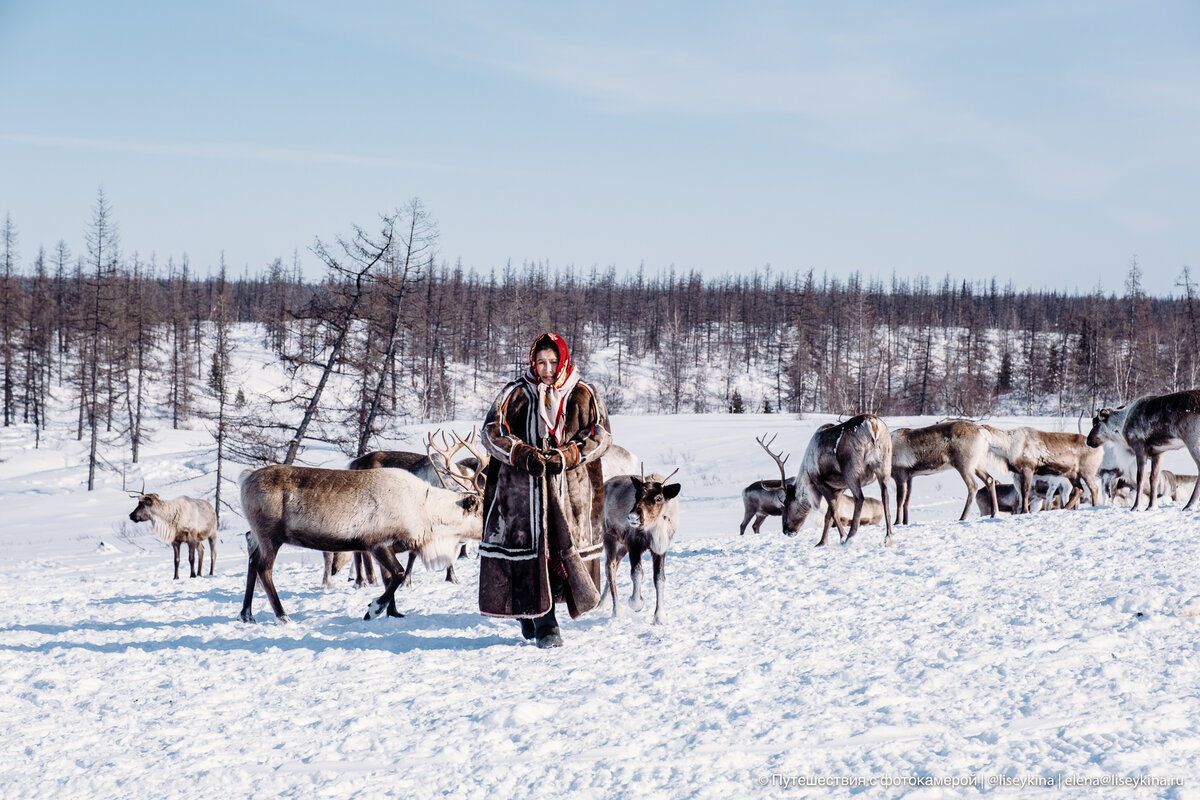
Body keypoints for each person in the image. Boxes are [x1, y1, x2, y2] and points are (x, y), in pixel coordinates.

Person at [479, 332, 611, 647]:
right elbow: (491, 432)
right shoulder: (514, 393)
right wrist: (522, 454)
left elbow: (601, 435)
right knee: (532, 553)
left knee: (559, 555)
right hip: (522, 495)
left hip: (569, 494)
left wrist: (567, 454)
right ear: (532, 362)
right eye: (541, 362)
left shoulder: (583, 393)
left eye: (553, 362)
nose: (547, 369)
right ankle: (545, 622)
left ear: (562, 359)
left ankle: (532, 611)